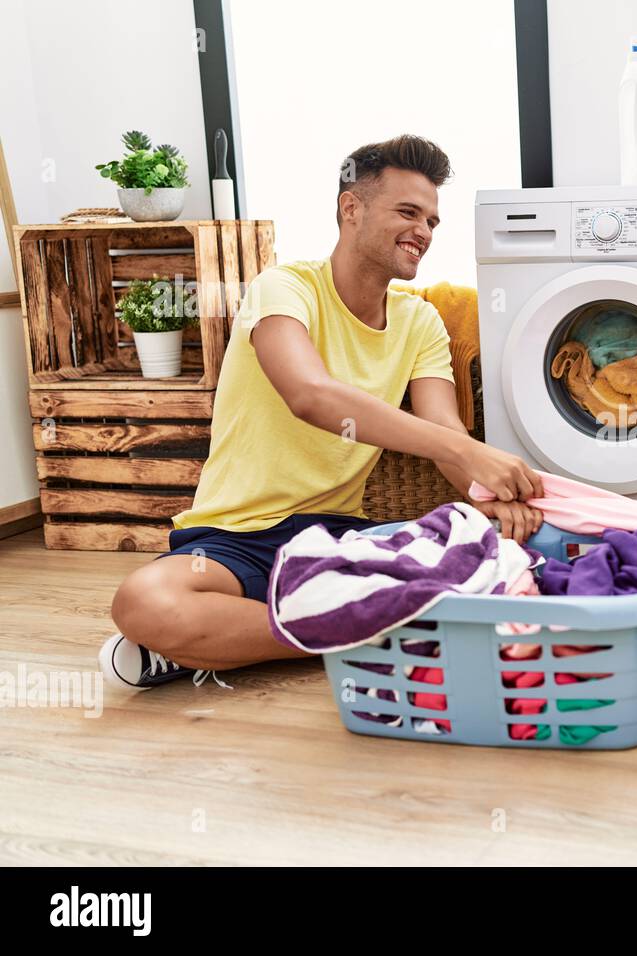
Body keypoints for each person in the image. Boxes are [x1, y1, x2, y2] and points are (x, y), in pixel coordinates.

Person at [101, 134, 544, 691]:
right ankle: (377, 628)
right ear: (350, 208)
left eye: (433, 220)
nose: (424, 232)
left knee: (485, 546)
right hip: (239, 535)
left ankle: (236, 643)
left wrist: (494, 498)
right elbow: (309, 395)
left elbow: (443, 430)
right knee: (145, 603)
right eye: (408, 212)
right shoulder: (282, 289)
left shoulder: (420, 321)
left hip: (339, 540)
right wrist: (466, 450)